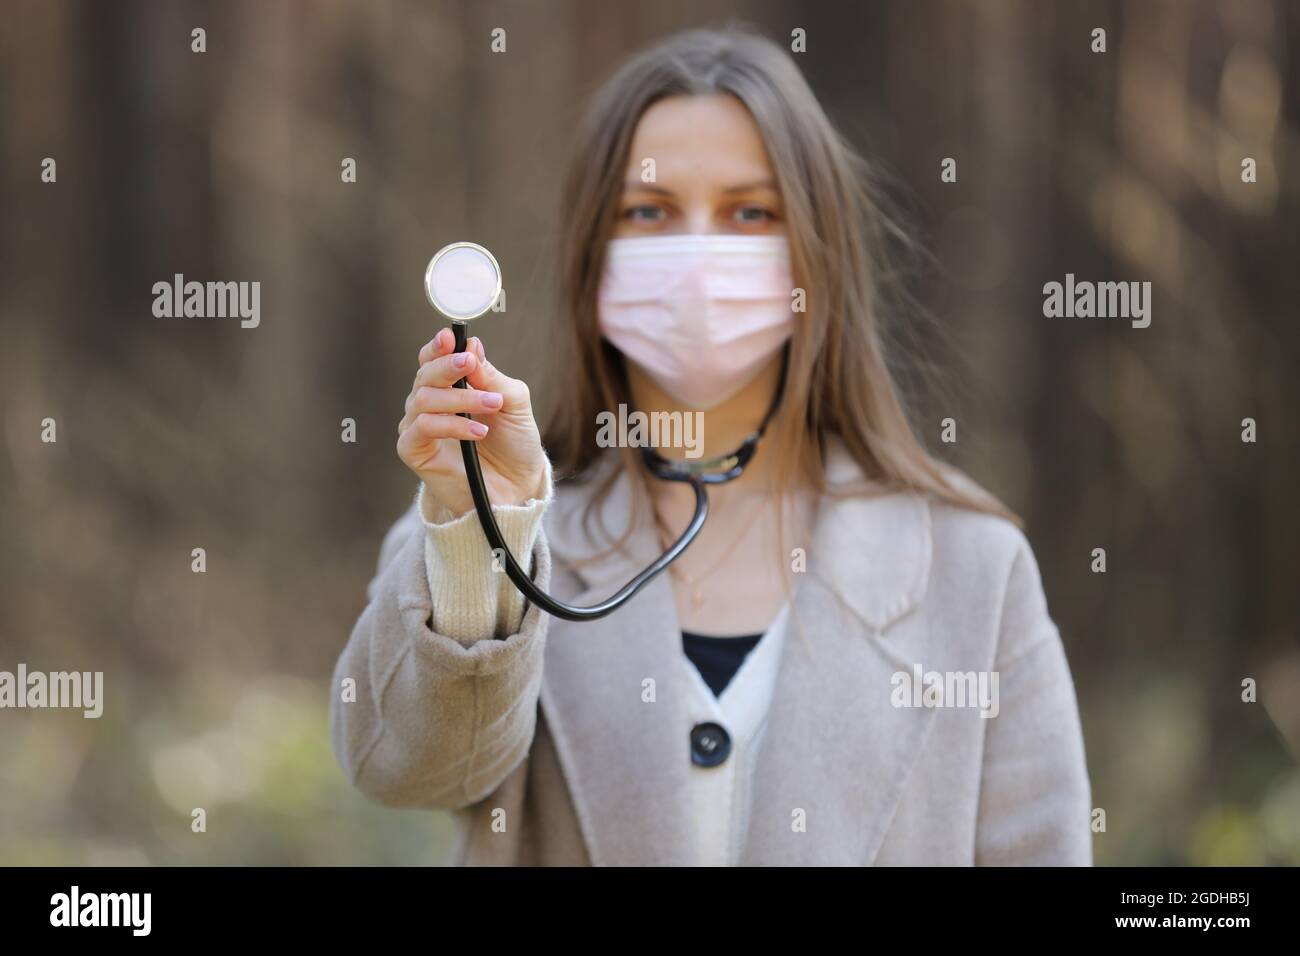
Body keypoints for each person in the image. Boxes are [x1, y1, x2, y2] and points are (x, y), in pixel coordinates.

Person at [330, 25, 1092, 866]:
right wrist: (486, 538)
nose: (698, 257)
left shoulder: (975, 572)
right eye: (650, 211)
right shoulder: (488, 523)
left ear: (816, 257)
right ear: (595, 255)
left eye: (749, 212)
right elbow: (404, 771)